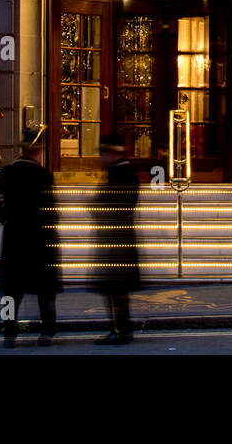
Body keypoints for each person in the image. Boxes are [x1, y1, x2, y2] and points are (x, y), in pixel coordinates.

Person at [0, 129, 60, 348]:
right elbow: (51, 210)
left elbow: (0, 207)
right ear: (39, 150)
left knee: (11, 290)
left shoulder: (6, 174)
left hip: (15, 237)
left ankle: (9, 331)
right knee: (45, 290)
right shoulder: (43, 175)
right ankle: (47, 331)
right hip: (38, 238)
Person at [94, 134, 140, 345]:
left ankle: (119, 330)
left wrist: (97, 207)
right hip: (122, 237)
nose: (100, 157)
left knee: (115, 288)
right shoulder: (125, 170)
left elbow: (111, 203)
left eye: (103, 153)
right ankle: (122, 329)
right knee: (117, 289)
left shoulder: (118, 172)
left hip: (116, 238)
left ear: (111, 153)